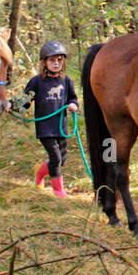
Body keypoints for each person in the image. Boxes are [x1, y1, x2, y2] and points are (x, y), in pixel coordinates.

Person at [26, 41, 79, 198]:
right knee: (55, 158)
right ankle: (58, 191)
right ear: (44, 62)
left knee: (61, 160)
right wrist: (11, 105)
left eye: (59, 60)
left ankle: (40, 173)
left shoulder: (67, 81)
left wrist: (73, 104)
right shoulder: (36, 81)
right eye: (52, 60)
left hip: (61, 127)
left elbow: (73, 98)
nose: (56, 63)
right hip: (45, 128)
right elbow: (25, 100)